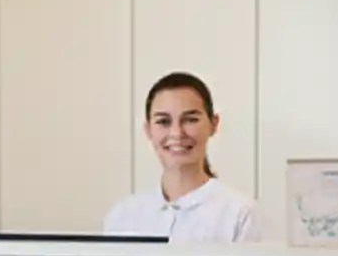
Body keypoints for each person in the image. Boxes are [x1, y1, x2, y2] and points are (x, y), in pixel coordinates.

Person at [104, 72, 261, 242]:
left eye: (190, 120)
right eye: (163, 122)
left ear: (213, 124)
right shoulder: (122, 217)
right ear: (148, 129)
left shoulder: (240, 215)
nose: (177, 133)